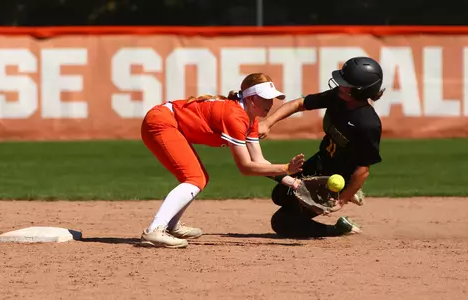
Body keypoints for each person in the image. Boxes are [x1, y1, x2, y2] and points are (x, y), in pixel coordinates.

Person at [139, 73, 306, 248]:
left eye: (272, 98)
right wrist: (287, 168)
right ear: (252, 99)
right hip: (161, 122)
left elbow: (259, 162)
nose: (270, 104)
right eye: (265, 98)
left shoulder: (251, 121)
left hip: (168, 122)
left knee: (199, 177)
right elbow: (246, 167)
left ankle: (170, 225)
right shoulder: (234, 116)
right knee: (195, 178)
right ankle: (155, 230)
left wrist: (295, 184)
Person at [259, 56, 385, 238]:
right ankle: (351, 193)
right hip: (319, 162)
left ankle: (341, 227)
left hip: (334, 179)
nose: (339, 85)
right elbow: (299, 104)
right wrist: (268, 122)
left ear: (359, 91)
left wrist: (342, 199)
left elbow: (363, 169)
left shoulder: (367, 124)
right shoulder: (338, 98)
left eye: (345, 84)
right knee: (280, 195)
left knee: (282, 223)